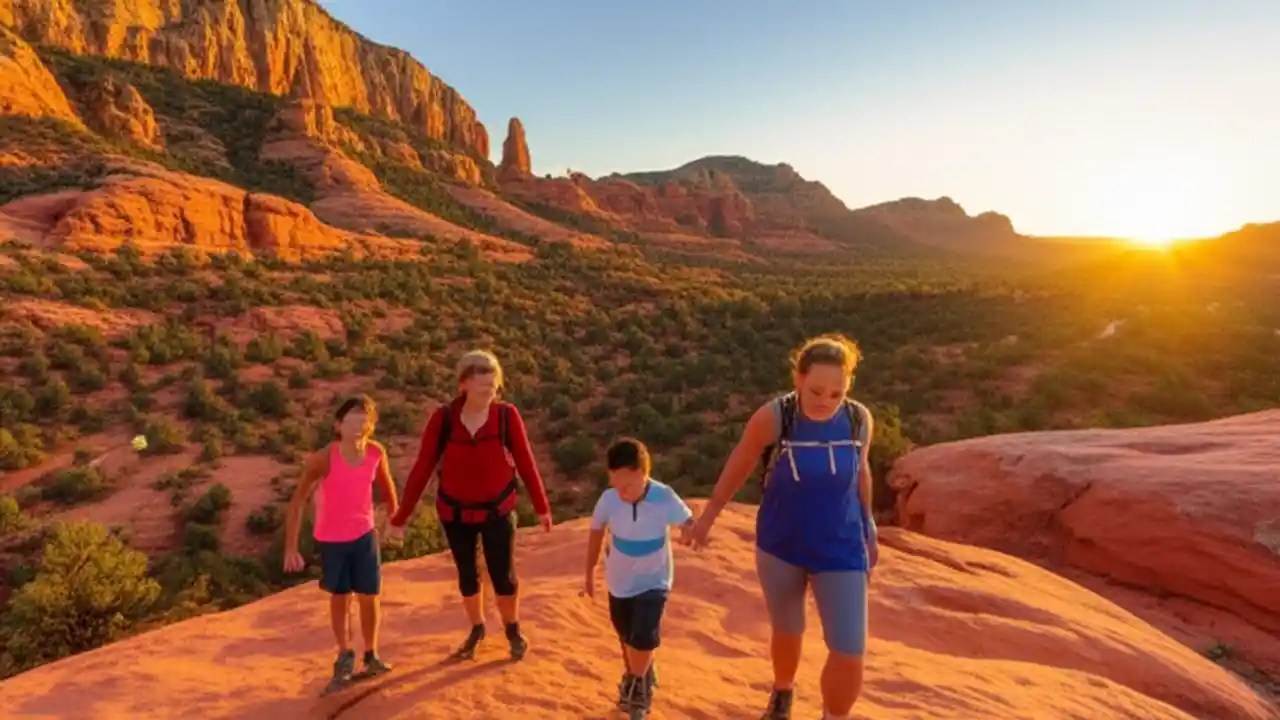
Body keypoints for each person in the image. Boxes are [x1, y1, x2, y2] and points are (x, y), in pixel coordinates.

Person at [684, 333, 879, 720]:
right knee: (788, 628)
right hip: (781, 544)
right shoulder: (775, 417)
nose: (825, 401)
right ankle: (783, 691)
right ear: (798, 380)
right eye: (816, 390)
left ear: (848, 389)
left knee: (849, 647)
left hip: (841, 545)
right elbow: (739, 462)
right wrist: (708, 517)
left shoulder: (858, 420)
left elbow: (862, 470)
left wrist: (869, 524)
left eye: (835, 393)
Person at [388, 349, 553, 661]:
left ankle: (512, 629)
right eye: (482, 387)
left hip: (498, 509)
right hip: (455, 511)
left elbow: (526, 462)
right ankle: (477, 628)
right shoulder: (444, 419)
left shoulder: (506, 415)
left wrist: (542, 506)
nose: (489, 393)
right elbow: (423, 468)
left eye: (493, 387)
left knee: (502, 573)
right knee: (467, 573)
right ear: (463, 384)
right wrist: (400, 518)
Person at [283, 394, 400, 694]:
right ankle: (344, 654)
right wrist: (291, 548)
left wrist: (394, 524)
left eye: (366, 421)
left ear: (372, 426)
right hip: (332, 539)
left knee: (370, 595)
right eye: (353, 420)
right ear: (338, 425)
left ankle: (371, 654)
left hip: (364, 534)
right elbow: (297, 502)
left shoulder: (375, 453)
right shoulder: (324, 458)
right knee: (340, 596)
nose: (360, 426)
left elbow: (388, 491)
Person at [582, 437, 694, 716]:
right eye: (615, 485)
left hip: (654, 580)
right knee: (627, 636)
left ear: (644, 474)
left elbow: (687, 519)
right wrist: (589, 570)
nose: (622, 492)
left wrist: (689, 530)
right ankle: (640, 673)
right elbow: (596, 531)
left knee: (643, 634)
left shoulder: (664, 497)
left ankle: (638, 690)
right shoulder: (609, 500)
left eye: (628, 485)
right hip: (620, 582)